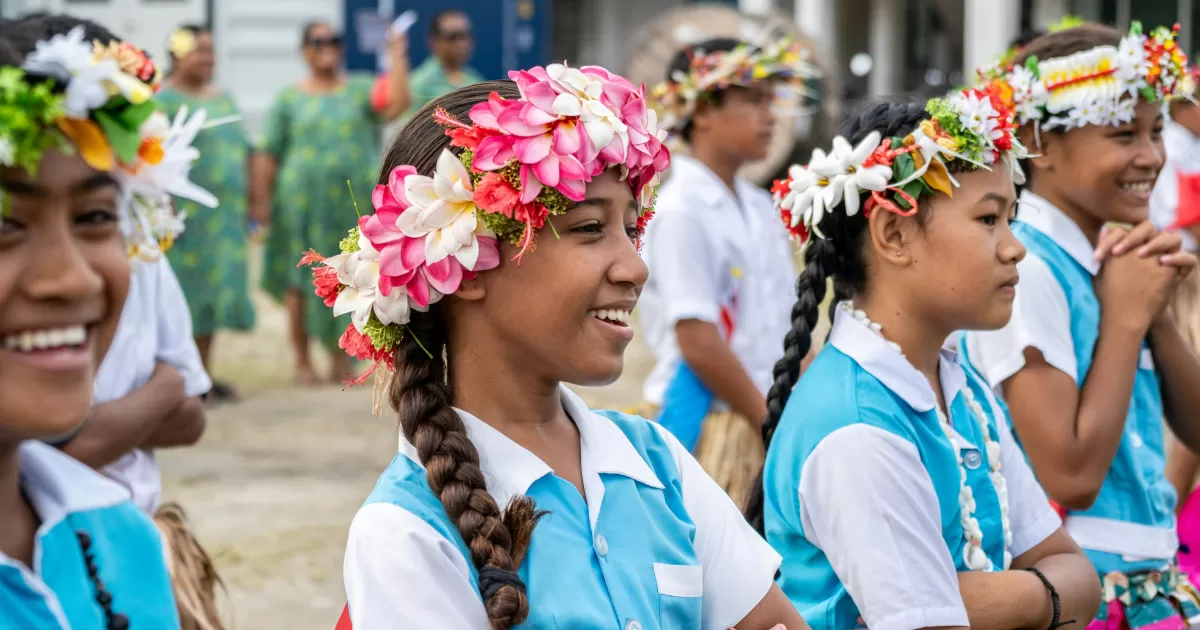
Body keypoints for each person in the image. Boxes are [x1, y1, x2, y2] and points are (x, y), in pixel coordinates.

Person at [309, 67, 805, 629]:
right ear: (465, 263)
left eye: (632, 228)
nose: (637, 267)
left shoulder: (655, 462)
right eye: (590, 227)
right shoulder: (407, 533)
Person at [743, 83, 1102, 629]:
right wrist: (1044, 598)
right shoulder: (859, 428)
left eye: (1011, 217)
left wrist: (974, 596)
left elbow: (1078, 571)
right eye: (988, 219)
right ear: (893, 235)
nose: (1015, 246)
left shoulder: (959, 385)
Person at [964, 23, 1200, 629]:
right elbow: (1070, 476)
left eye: (1156, 131)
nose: (1150, 156)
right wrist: (1125, 319)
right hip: (1081, 588)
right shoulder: (1030, 268)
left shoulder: (1104, 259)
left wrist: (1159, 314)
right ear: (1038, 142)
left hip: (1146, 577)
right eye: (1123, 134)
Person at [0, 11, 216, 627]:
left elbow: (187, 400)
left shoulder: (123, 543)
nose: (71, 278)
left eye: (95, 216)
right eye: (3, 223)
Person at [640, 37, 817, 499]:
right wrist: (767, 420)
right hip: (713, 422)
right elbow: (698, 339)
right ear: (701, 111)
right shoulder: (681, 208)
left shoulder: (760, 206)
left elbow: (786, 323)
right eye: (754, 101)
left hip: (767, 413)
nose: (770, 116)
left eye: (771, 101)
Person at [252, 20, 408, 385]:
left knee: (353, 277)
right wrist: (259, 203)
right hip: (299, 207)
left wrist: (397, 55)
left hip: (349, 206)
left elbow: (396, 105)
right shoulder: (289, 99)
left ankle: (343, 360)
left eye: (334, 40)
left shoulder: (358, 88)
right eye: (319, 41)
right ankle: (303, 361)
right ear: (305, 50)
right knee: (299, 282)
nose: (328, 47)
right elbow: (267, 153)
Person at [157, 23, 256, 403]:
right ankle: (183, 380)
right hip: (182, 218)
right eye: (199, 49)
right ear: (178, 53)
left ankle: (203, 374)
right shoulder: (162, 101)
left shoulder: (223, 98)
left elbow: (242, 151)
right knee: (183, 297)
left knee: (213, 297)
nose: (208, 58)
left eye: (211, 50)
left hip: (224, 219)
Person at [404, 9, 483, 119]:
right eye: (452, 37)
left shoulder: (474, 79)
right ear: (434, 41)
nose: (462, 43)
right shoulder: (419, 83)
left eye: (466, 35)